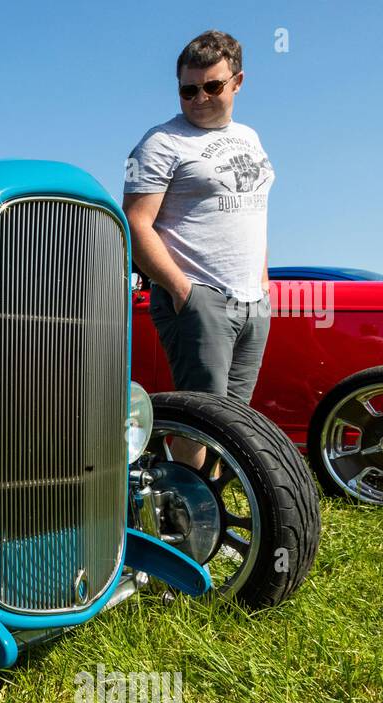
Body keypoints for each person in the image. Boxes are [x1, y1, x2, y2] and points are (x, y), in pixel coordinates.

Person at [123, 29, 274, 443]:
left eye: (212, 86)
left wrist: (262, 283)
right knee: (201, 423)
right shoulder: (160, 143)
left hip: (253, 300)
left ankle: (217, 505)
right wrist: (183, 292)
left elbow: (254, 209)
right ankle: (182, 506)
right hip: (199, 297)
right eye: (188, 90)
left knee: (235, 427)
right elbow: (135, 222)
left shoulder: (250, 138)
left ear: (238, 82)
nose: (199, 98)